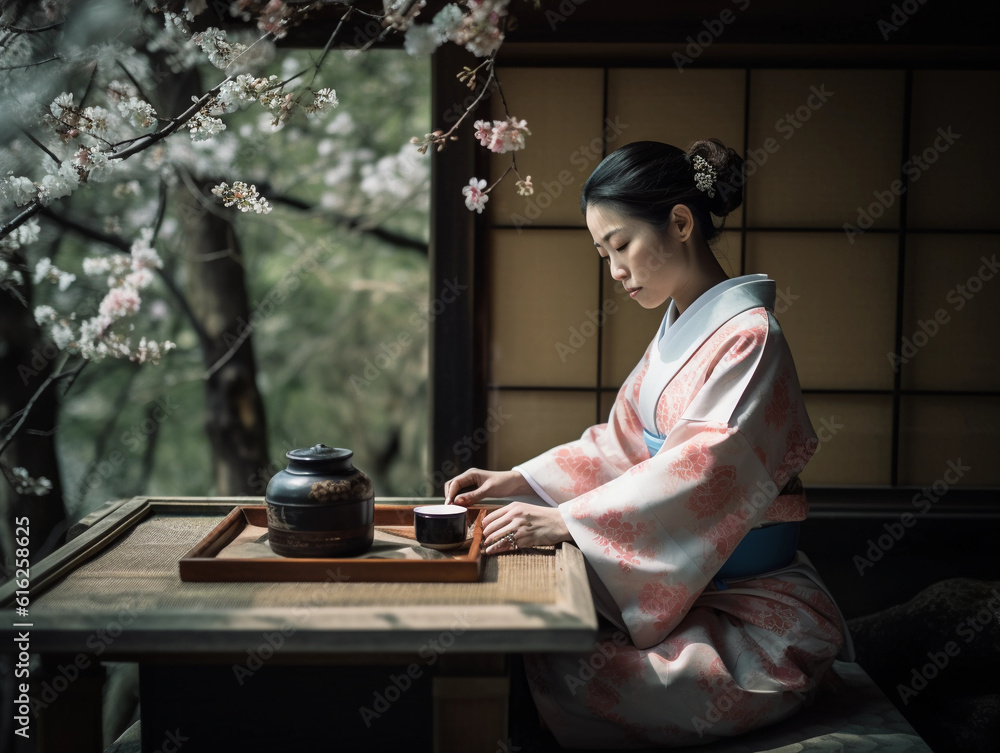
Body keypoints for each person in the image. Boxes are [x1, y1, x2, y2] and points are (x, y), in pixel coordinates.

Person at [444, 139, 852, 748]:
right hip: (692, 587)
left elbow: (701, 470)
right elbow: (621, 444)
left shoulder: (750, 338)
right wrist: (521, 482)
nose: (615, 271)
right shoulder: (677, 330)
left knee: (591, 679)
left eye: (622, 245)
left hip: (752, 605)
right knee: (549, 653)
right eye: (602, 254)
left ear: (681, 222)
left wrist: (566, 521)